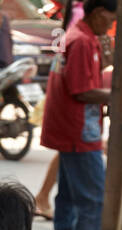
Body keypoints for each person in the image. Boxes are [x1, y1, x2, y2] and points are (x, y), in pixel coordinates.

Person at [39, 0, 117, 230]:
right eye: (109, 19)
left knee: (70, 198)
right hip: (79, 129)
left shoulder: (78, 37)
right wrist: (118, 95)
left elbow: (86, 77)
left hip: (70, 127)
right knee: (94, 198)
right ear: (97, 13)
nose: (110, 25)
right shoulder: (82, 41)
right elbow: (82, 90)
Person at [33, 0, 86, 218]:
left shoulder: (76, 11)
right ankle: (43, 196)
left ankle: (44, 197)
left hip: (65, 83)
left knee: (67, 149)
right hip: (71, 87)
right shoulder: (81, 16)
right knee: (69, 147)